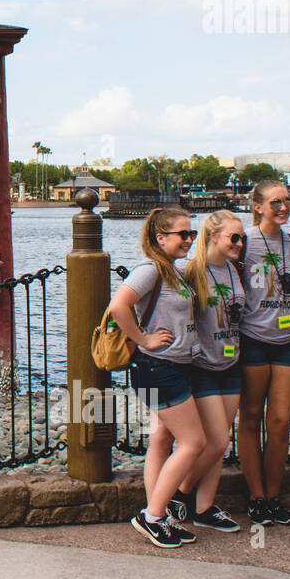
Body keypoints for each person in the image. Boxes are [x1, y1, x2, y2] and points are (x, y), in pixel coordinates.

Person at [109, 206, 205, 548]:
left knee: (163, 438)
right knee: (195, 442)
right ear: (160, 237)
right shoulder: (149, 270)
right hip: (157, 368)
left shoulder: (173, 271)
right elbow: (119, 305)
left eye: (191, 233)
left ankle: (158, 512)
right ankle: (150, 517)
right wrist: (143, 338)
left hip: (173, 366)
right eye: (183, 234)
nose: (189, 239)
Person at [170, 209, 247, 532]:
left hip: (231, 362)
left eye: (242, 238)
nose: (240, 244)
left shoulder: (235, 269)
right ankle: (180, 494)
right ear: (213, 236)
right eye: (234, 237)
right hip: (202, 365)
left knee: (220, 444)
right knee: (217, 441)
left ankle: (205, 507)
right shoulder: (193, 272)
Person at [238, 180, 290, 526]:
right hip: (252, 338)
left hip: (287, 339)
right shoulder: (245, 242)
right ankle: (256, 496)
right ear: (258, 206)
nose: (284, 207)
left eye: (287, 201)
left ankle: (274, 497)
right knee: (250, 418)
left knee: (280, 422)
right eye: (275, 202)